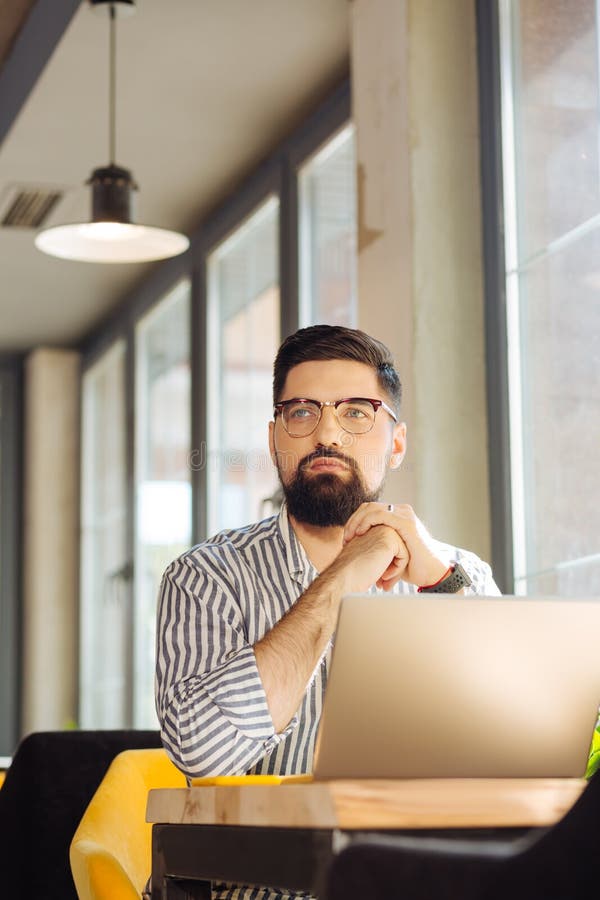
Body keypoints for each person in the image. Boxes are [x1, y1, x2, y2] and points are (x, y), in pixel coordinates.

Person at [154, 324, 500, 899]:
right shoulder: (205, 576)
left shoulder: (456, 573)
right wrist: (347, 574)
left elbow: (509, 746)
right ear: (274, 439)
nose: (327, 434)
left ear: (396, 442)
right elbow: (202, 753)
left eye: (357, 412)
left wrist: (440, 581)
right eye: (302, 412)